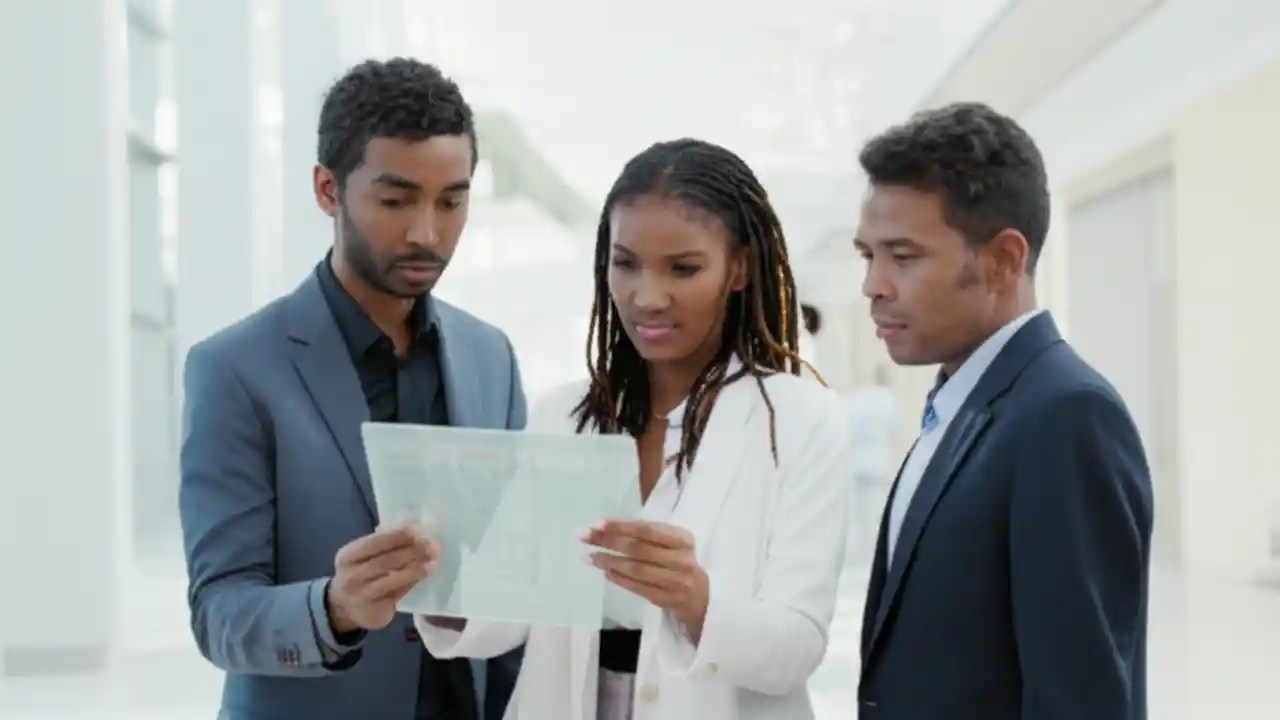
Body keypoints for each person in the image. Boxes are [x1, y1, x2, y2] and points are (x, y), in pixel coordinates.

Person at [414, 138, 854, 719]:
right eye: (626, 264)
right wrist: (439, 582)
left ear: (740, 268)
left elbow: (796, 649)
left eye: (684, 268)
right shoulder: (563, 414)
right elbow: (514, 609)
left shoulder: (799, 421)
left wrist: (698, 602)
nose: (647, 297)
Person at [179, 58, 523, 720]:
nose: (427, 231)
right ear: (328, 190)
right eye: (396, 200)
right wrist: (334, 608)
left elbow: (507, 589)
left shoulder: (490, 357)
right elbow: (219, 613)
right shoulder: (234, 368)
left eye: (452, 200)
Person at [852, 102, 1153, 718]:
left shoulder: (1065, 416)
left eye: (903, 256)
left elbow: (1079, 700)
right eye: (867, 256)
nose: (874, 285)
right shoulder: (963, 405)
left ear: (1003, 261)